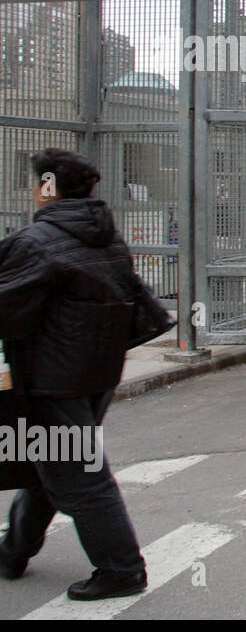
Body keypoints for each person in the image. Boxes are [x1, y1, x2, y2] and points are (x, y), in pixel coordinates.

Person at [0, 149, 148, 601]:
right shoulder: (105, 236)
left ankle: (122, 568)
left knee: (79, 472)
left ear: (46, 187)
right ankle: (14, 549)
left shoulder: (36, 241)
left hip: (53, 379)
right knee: (54, 464)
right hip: (95, 373)